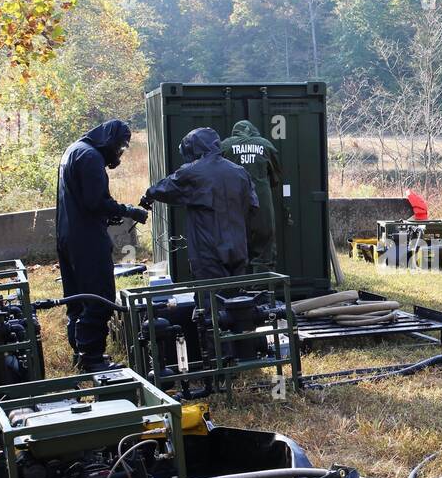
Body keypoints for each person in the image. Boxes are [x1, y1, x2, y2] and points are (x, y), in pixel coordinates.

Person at [56, 119, 148, 372]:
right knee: (99, 296)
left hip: (67, 235)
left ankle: (80, 351)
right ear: (109, 140)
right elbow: (96, 202)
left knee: (77, 297)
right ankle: (93, 358)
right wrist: (128, 211)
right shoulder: (90, 157)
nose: (119, 153)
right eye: (119, 147)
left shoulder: (73, 150)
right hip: (87, 238)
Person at [140, 127, 258, 280]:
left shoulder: (193, 171)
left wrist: (148, 196)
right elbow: (253, 205)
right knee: (236, 296)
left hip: (208, 250)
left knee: (210, 297)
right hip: (238, 248)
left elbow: (165, 188)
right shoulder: (240, 172)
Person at [219, 120, 283, 271]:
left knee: (234, 247)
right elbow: (276, 175)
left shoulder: (225, 146)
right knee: (264, 247)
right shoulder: (266, 145)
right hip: (261, 203)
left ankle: (236, 288)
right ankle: (262, 288)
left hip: (233, 204)